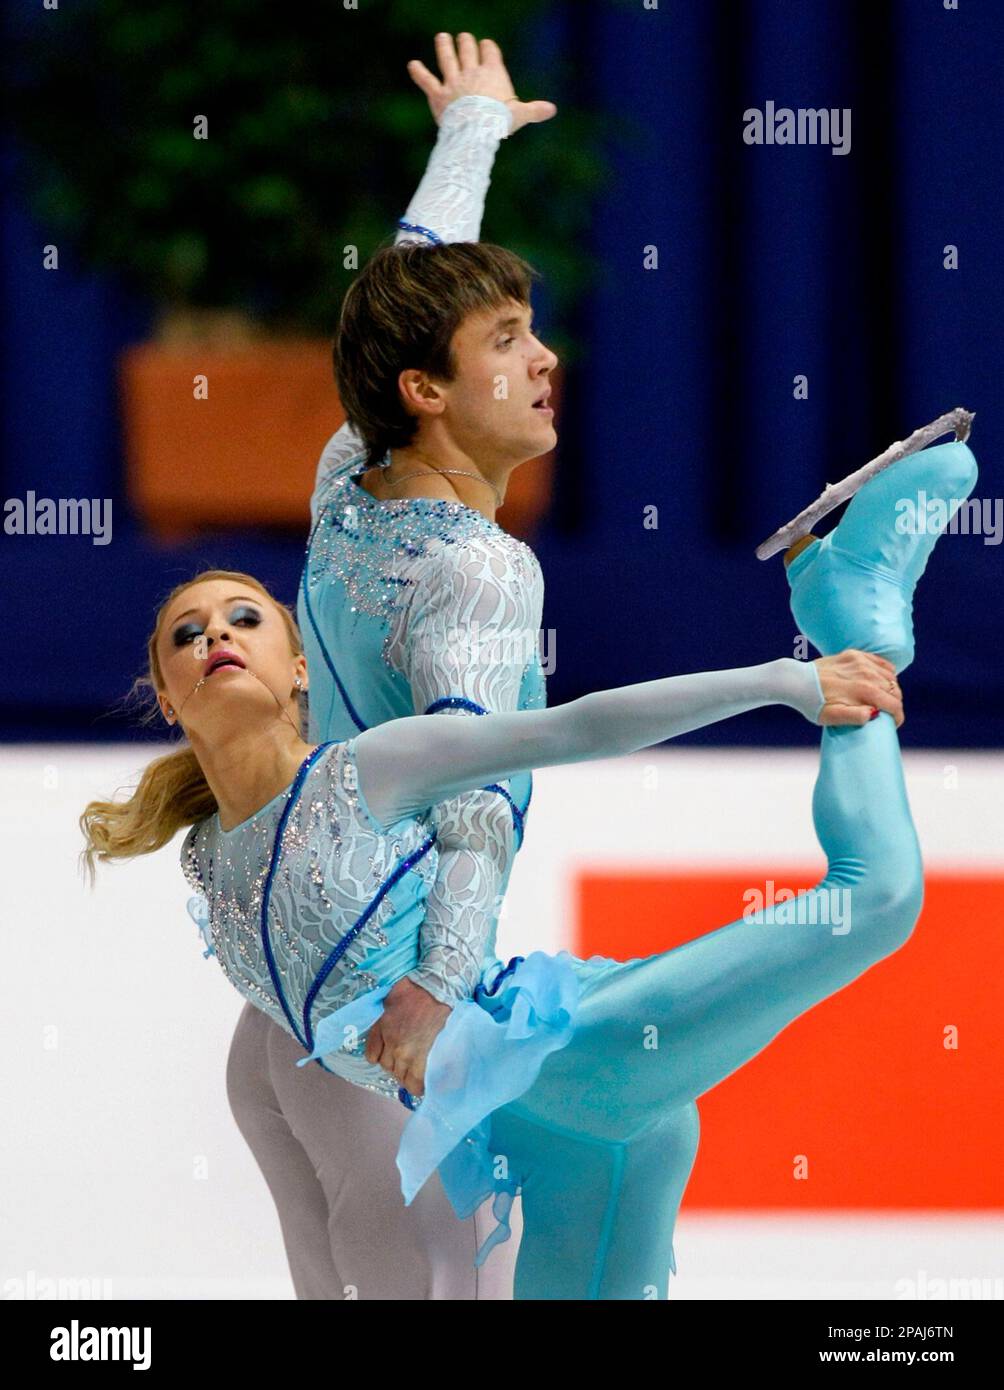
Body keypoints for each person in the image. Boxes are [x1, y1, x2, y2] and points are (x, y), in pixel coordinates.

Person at [80, 437, 979, 1298]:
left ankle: (849, 614)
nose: (216, 637)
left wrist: (785, 683)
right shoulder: (204, 859)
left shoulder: (370, 770)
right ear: (163, 695)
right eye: (185, 635)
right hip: (549, 1155)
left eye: (244, 618)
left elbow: (577, 728)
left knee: (876, 899)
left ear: (299, 667)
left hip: (570, 1055)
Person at [229, 31, 558, 1299]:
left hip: (279, 1020)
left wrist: (469, 134)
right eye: (510, 340)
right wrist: (430, 996)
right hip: (380, 1011)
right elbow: (475, 805)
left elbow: (406, 284)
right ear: (425, 391)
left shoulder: (340, 473)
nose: (542, 362)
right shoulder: (476, 570)